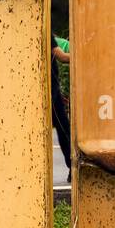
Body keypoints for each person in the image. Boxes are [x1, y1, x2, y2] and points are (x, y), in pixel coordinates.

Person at [51, 35, 72, 182]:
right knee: (64, 129)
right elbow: (62, 57)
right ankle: (73, 167)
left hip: (47, 89)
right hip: (52, 91)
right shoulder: (46, 30)